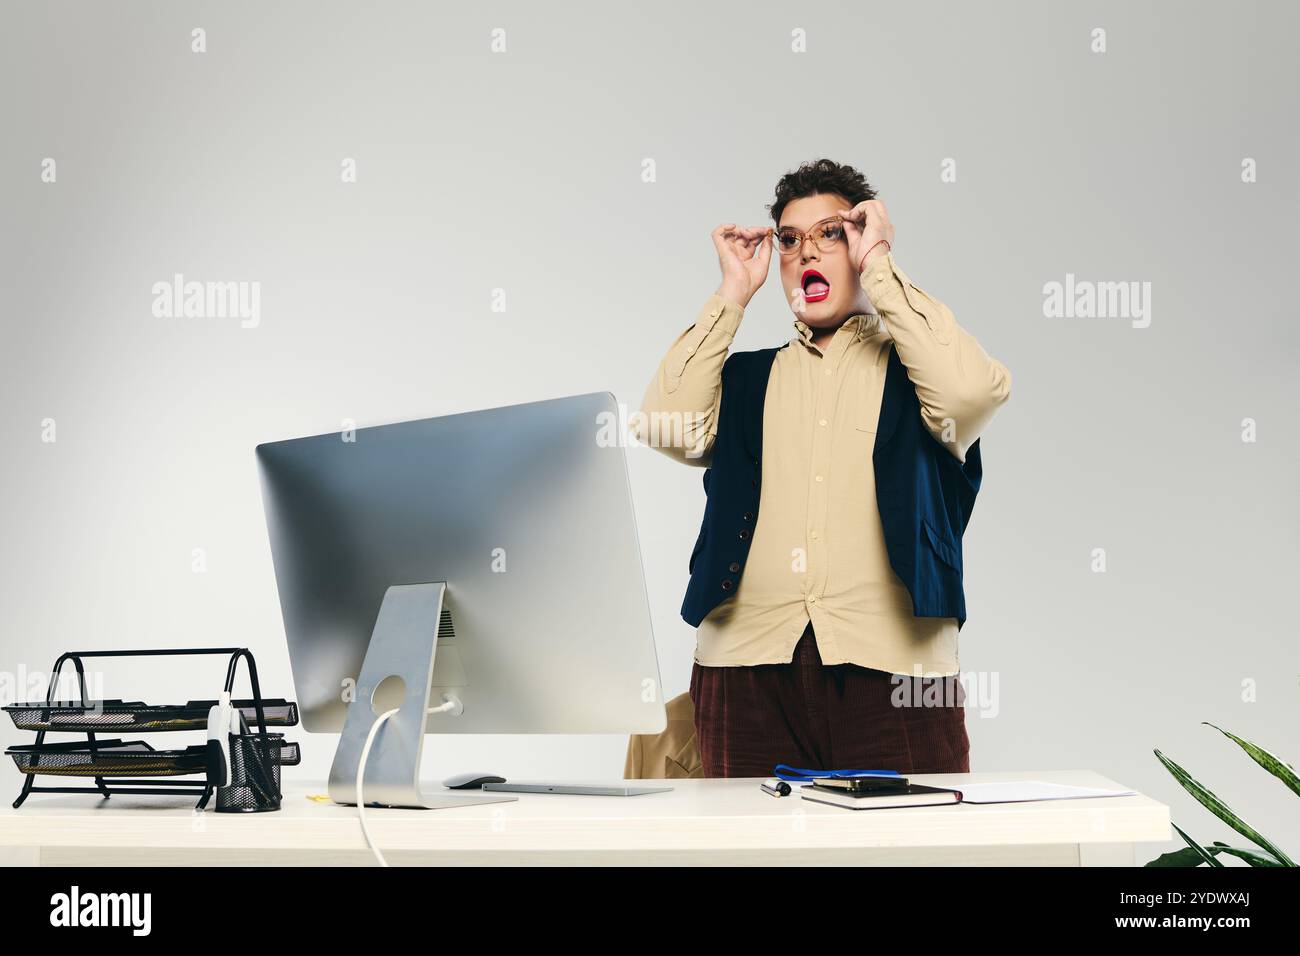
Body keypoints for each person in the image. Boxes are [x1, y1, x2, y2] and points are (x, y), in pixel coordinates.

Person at [635, 158, 1012, 777]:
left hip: (899, 672)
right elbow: (662, 423)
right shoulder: (744, 379)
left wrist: (881, 269)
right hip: (744, 668)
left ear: (861, 241)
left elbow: (972, 395)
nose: (805, 251)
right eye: (789, 240)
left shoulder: (919, 372)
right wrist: (732, 292)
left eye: (830, 233)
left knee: (907, 855)